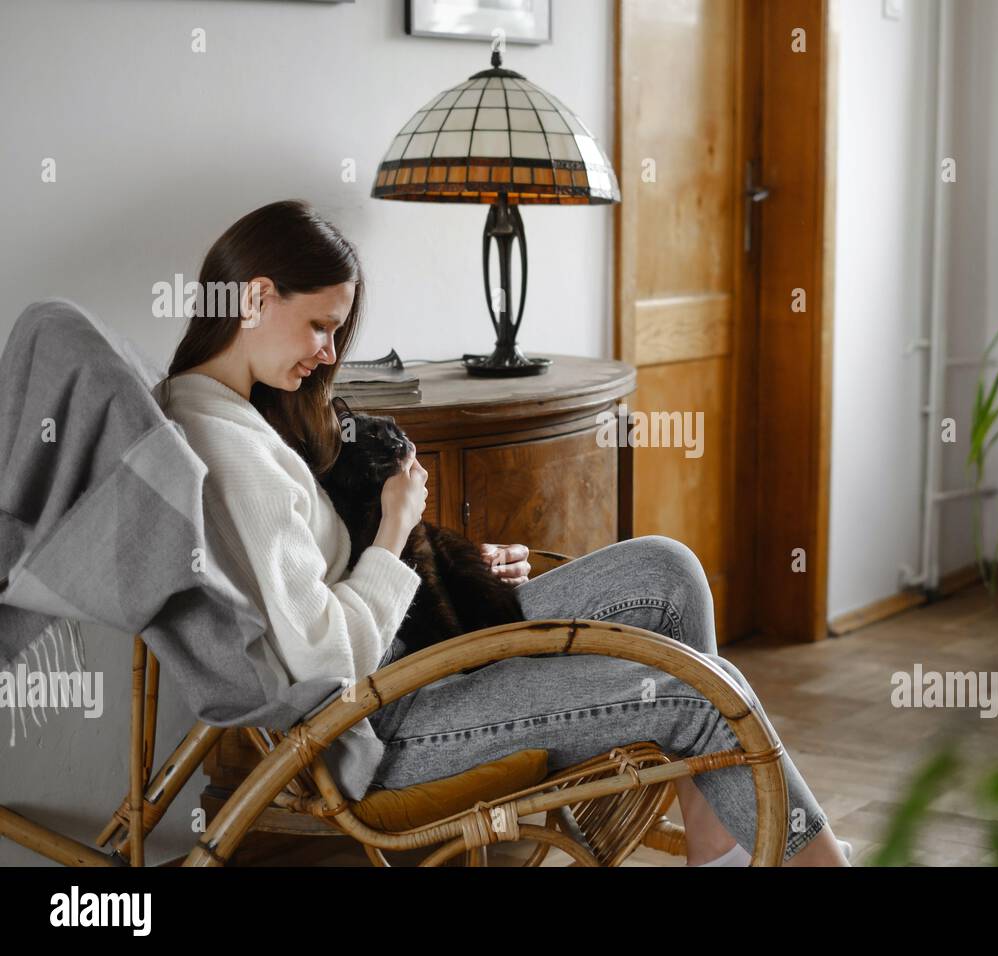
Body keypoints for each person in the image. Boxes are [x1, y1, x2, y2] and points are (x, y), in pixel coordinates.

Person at [157, 199, 850, 867]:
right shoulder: (230, 453)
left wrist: (455, 567)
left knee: (666, 573)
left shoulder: (242, 414)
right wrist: (396, 527)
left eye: (336, 331)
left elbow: (323, 573)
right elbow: (323, 661)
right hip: (385, 725)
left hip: (419, 657)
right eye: (319, 325)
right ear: (253, 300)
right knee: (696, 693)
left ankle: (717, 843)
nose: (329, 351)